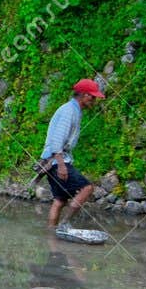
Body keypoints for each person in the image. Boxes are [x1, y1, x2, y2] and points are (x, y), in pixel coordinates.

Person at [39, 78, 104, 231]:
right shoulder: (69, 111)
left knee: (60, 200)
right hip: (57, 161)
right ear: (84, 95)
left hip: (52, 161)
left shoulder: (74, 110)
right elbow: (57, 140)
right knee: (87, 188)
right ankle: (64, 224)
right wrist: (61, 166)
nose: (94, 101)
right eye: (93, 97)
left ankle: (51, 233)